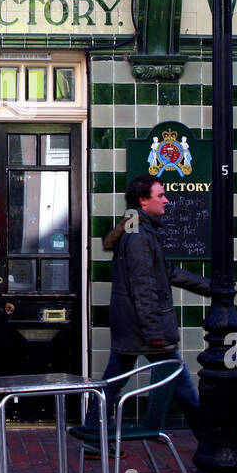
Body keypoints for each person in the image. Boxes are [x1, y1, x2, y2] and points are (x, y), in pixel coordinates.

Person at [92, 174, 211, 441]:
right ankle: (209, 437)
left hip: (131, 328)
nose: (166, 200)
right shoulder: (139, 236)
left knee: (112, 385)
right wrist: (155, 331)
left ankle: (92, 437)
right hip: (144, 331)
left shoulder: (138, 228)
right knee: (179, 382)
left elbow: (164, 272)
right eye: (161, 195)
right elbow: (143, 286)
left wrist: (210, 287)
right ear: (144, 201)